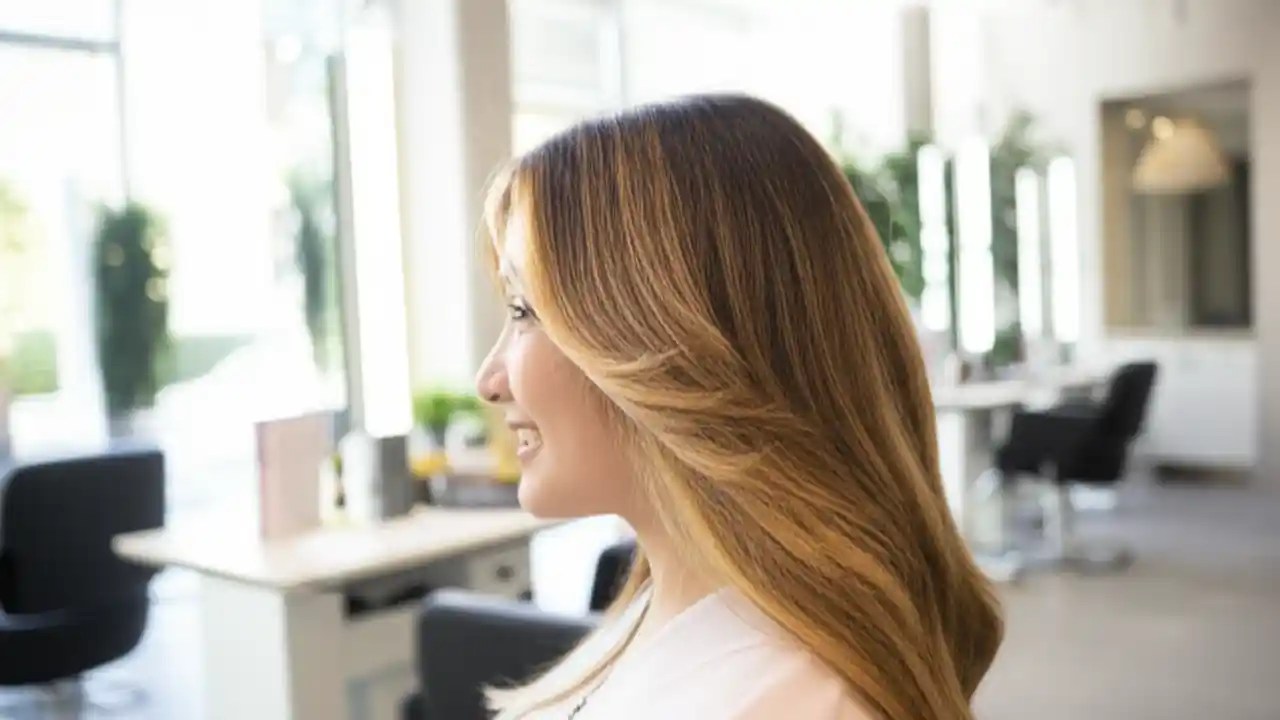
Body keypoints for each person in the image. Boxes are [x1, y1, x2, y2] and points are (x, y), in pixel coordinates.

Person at [474, 94, 1002, 720]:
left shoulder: (780, 698)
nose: (490, 380)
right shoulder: (677, 611)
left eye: (525, 311)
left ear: (665, 342)